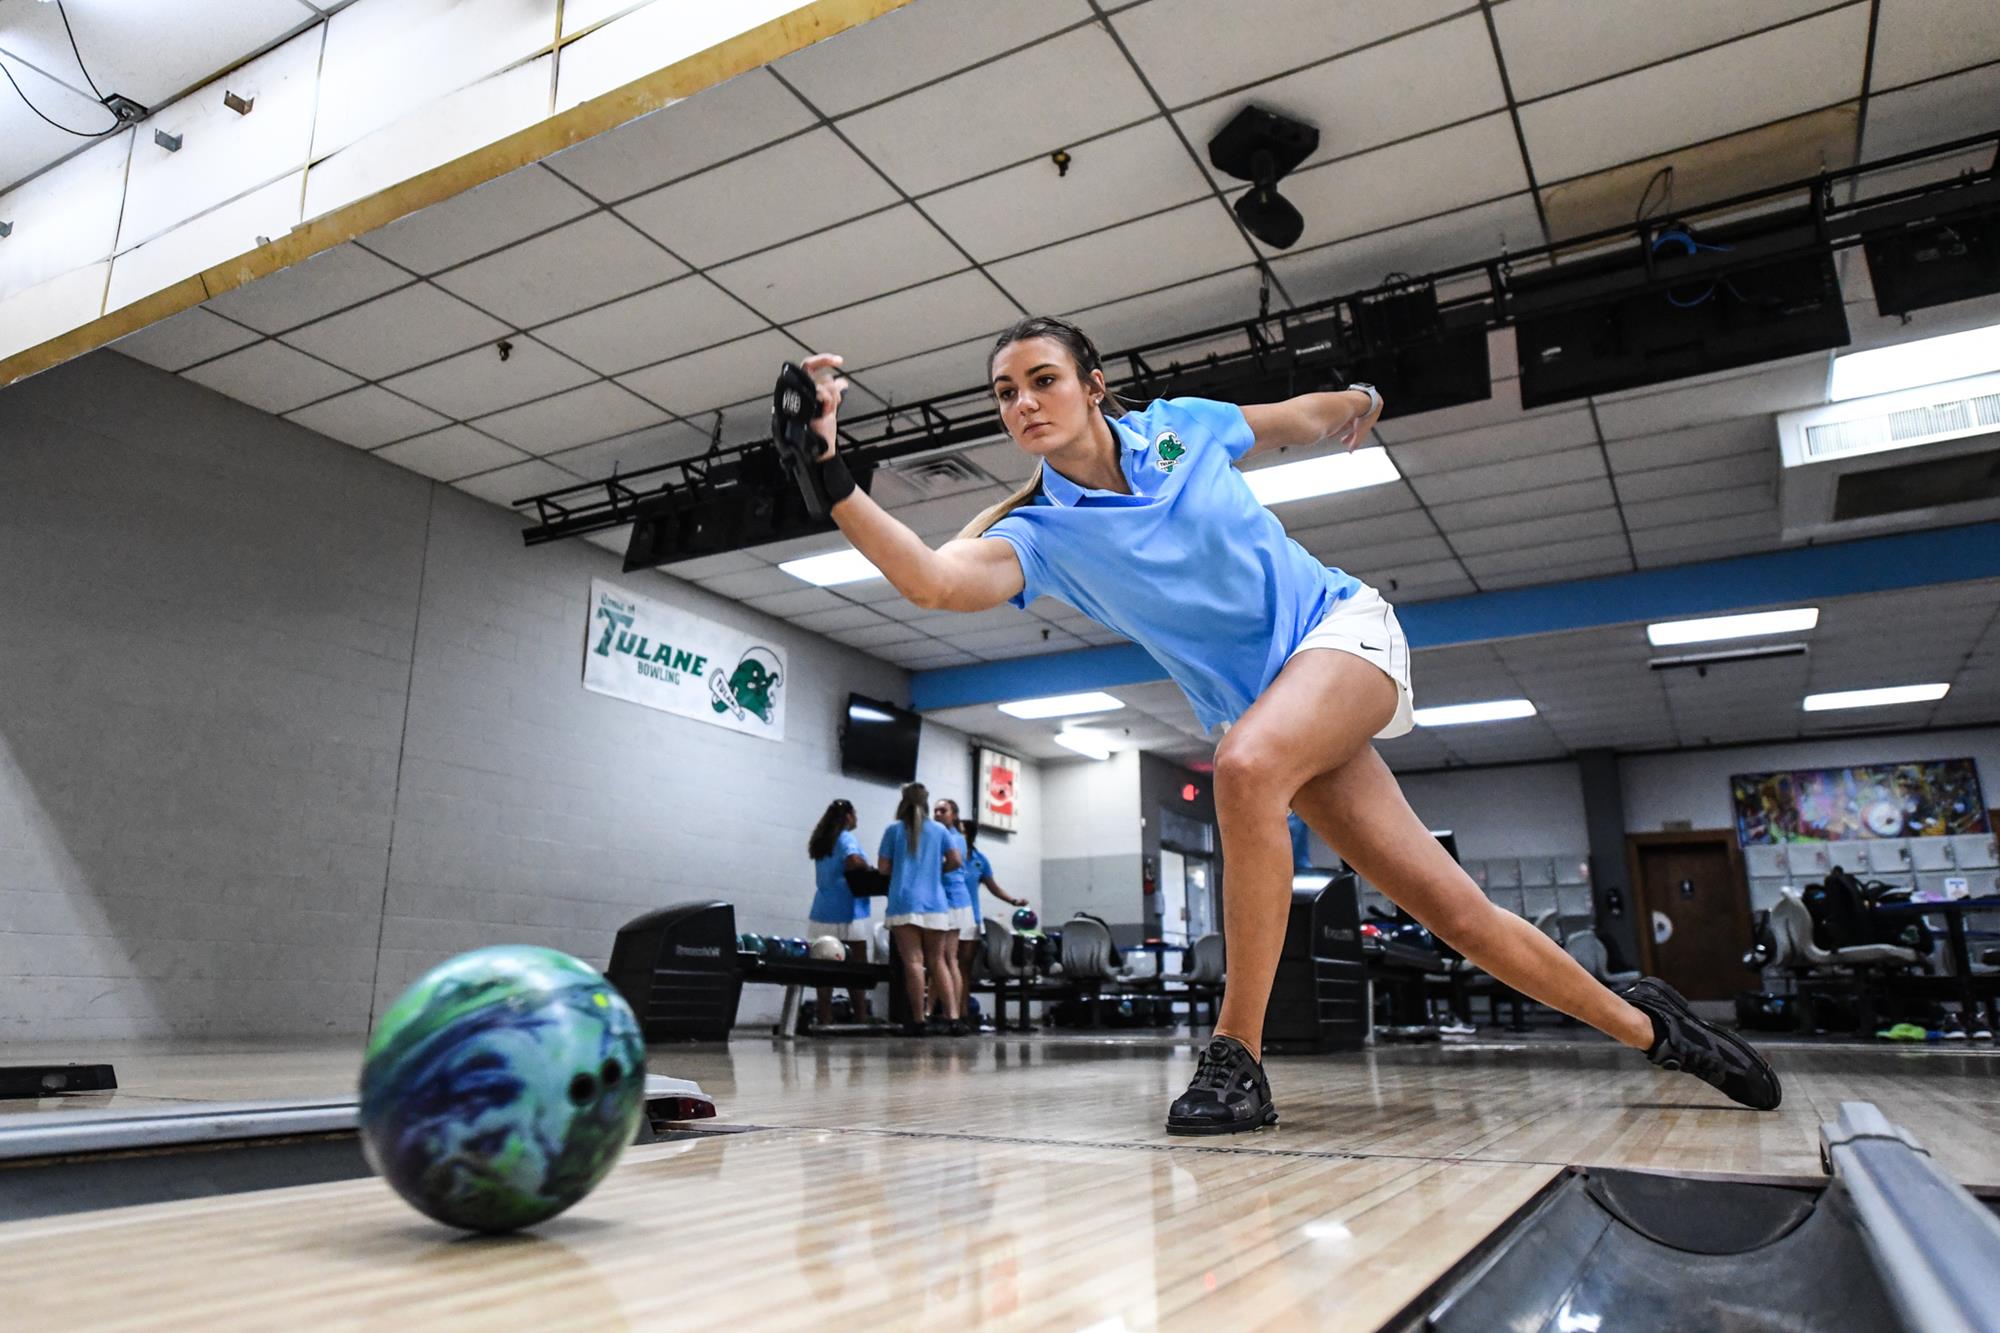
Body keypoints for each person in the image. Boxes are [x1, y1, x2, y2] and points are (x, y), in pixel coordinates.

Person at [786, 316, 1783, 1130]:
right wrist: (830, 478)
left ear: (1093, 385)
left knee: (1244, 763)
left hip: (1341, 634)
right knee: (1456, 914)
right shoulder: (1037, 535)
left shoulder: (1179, 427)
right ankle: (1656, 1028)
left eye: (1041, 379)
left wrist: (1357, 401)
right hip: (1273, 712)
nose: (1023, 404)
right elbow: (929, 578)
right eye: (1005, 393)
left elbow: (1294, 418)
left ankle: (1235, 1056)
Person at [878, 781, 962, 1036]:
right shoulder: (939, 830)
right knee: (939, 962)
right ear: (927, 803)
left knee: (914, 962)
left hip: (904, 902)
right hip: (935, 902)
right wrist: (936, 870)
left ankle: (918, 1020)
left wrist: (902, 872)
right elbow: (956, 861)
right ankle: (953, 1018)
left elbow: (883, 868)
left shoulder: (893, 830)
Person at [806, 798, 874, 1030]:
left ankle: (824, 1017)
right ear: (847, 817)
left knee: (823, 969)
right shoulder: (846, 837)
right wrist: (866, 866)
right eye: (855, 814)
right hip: (847, 910)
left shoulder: (821, 841)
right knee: (857, 967)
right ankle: (861, 1018)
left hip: (821, 910)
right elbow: (853, 861)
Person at [959, 822, 1027, 1011]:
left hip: (971, 919)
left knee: (964, 969)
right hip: (947, 919)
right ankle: (944, 1013)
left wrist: (1014, 901)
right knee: (945, 967)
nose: (956, 835)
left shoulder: (980, 860)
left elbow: (993, 888)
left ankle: (962, 1014)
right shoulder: (947, 857)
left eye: (961, 832)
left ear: (969, 836)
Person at [933, 797, 972, 1029]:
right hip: (943, 900)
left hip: (954, 900)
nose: (938, 814)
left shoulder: (956, 838)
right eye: (935, 810)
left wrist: (934, 871)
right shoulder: (940, 836)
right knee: (940, 959)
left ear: (954, 815)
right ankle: (943, 1011)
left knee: (949, 958)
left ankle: (954, 1013)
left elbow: (954, 863)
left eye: (943, 810)